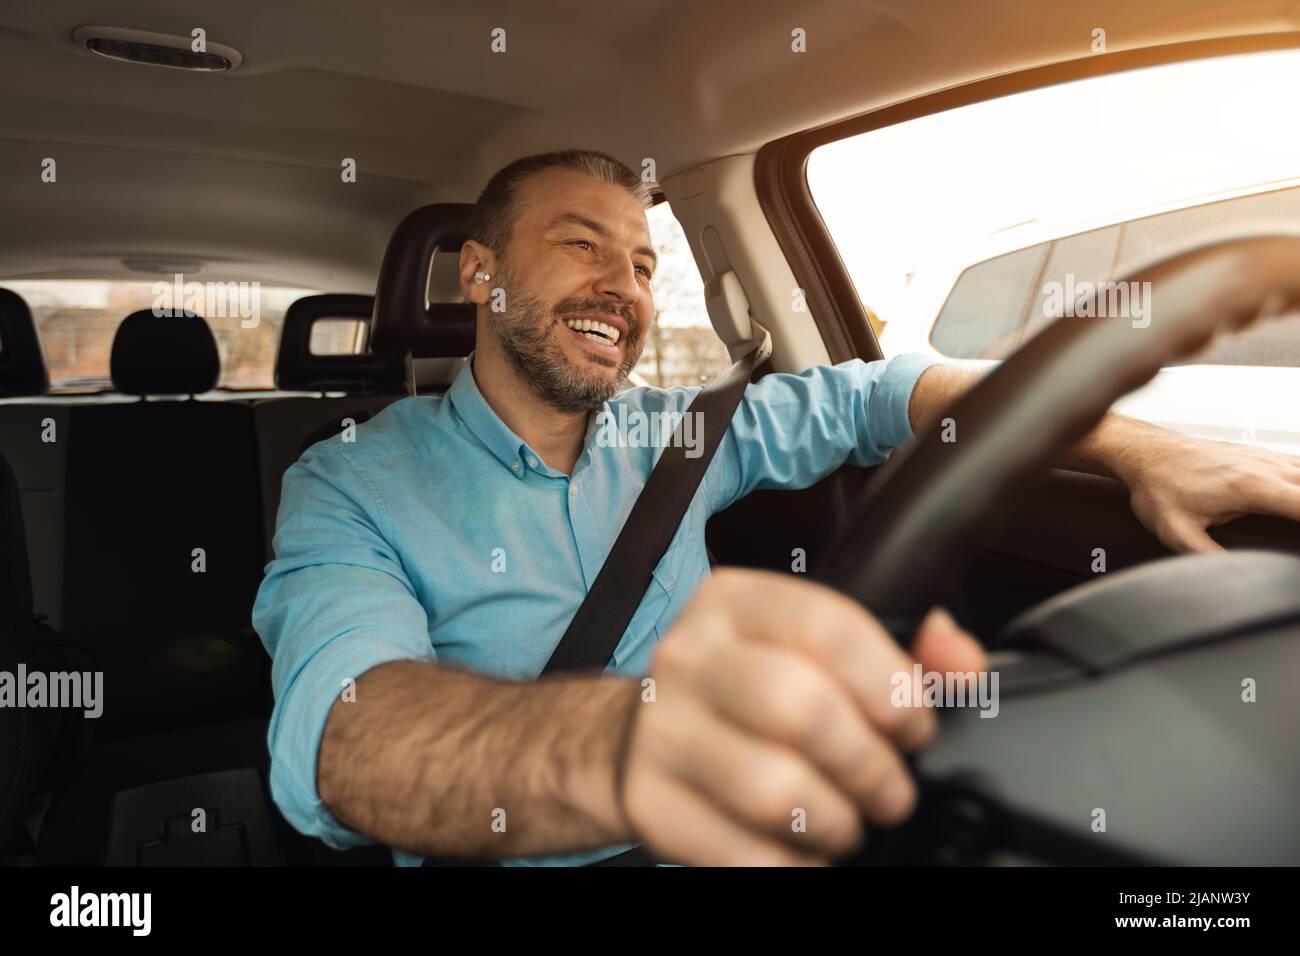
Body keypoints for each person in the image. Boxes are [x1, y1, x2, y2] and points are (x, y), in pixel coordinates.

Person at [253, 149, 1300, 866]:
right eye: (582, 244)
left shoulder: (687, 432)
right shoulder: (349, 478)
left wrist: (1135, 445)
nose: (624, 283)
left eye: (643, 261)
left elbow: (895, 392)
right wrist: (635, 748)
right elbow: (347, 730)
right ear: (478, 273)